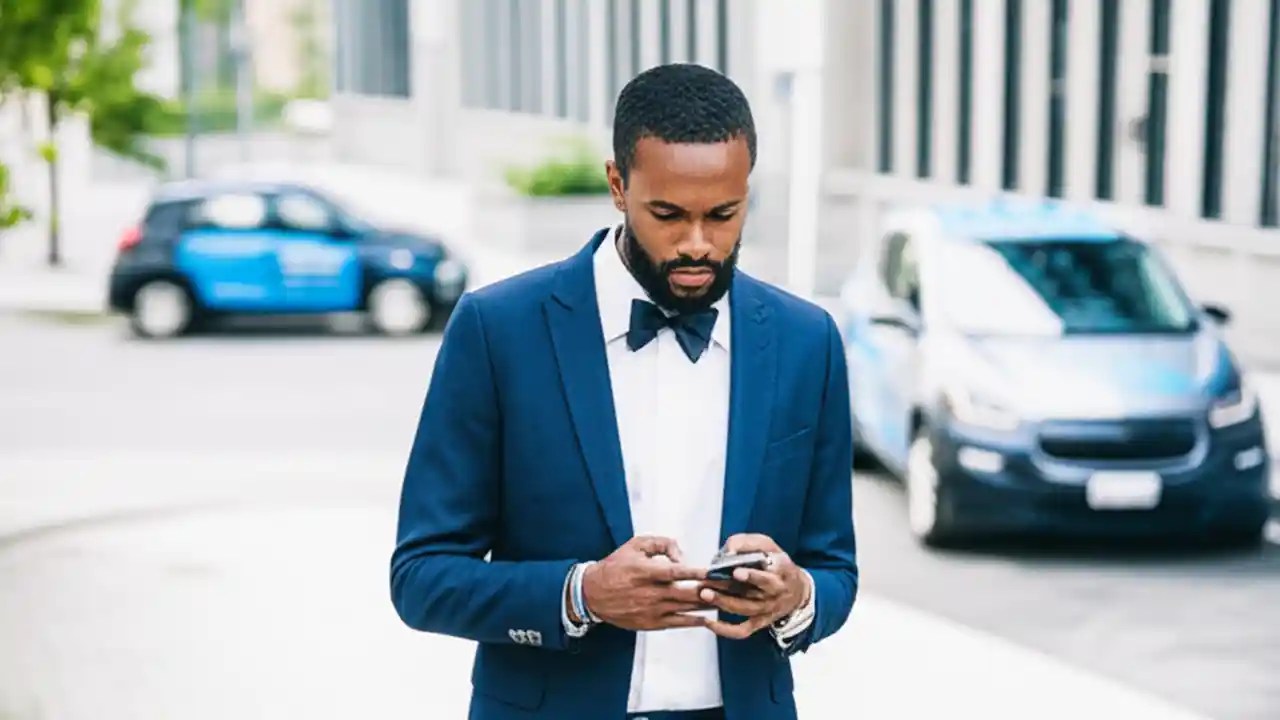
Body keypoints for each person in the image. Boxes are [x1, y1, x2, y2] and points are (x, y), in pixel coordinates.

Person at [391, 62, 857, 720]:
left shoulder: (808, 341)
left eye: (723, 215)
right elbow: (421, 578)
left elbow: (836, 569)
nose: (699, 244)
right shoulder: (499, 331)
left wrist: (796, 597)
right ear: (617, 185)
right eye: (667, 214)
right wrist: (581, 594)